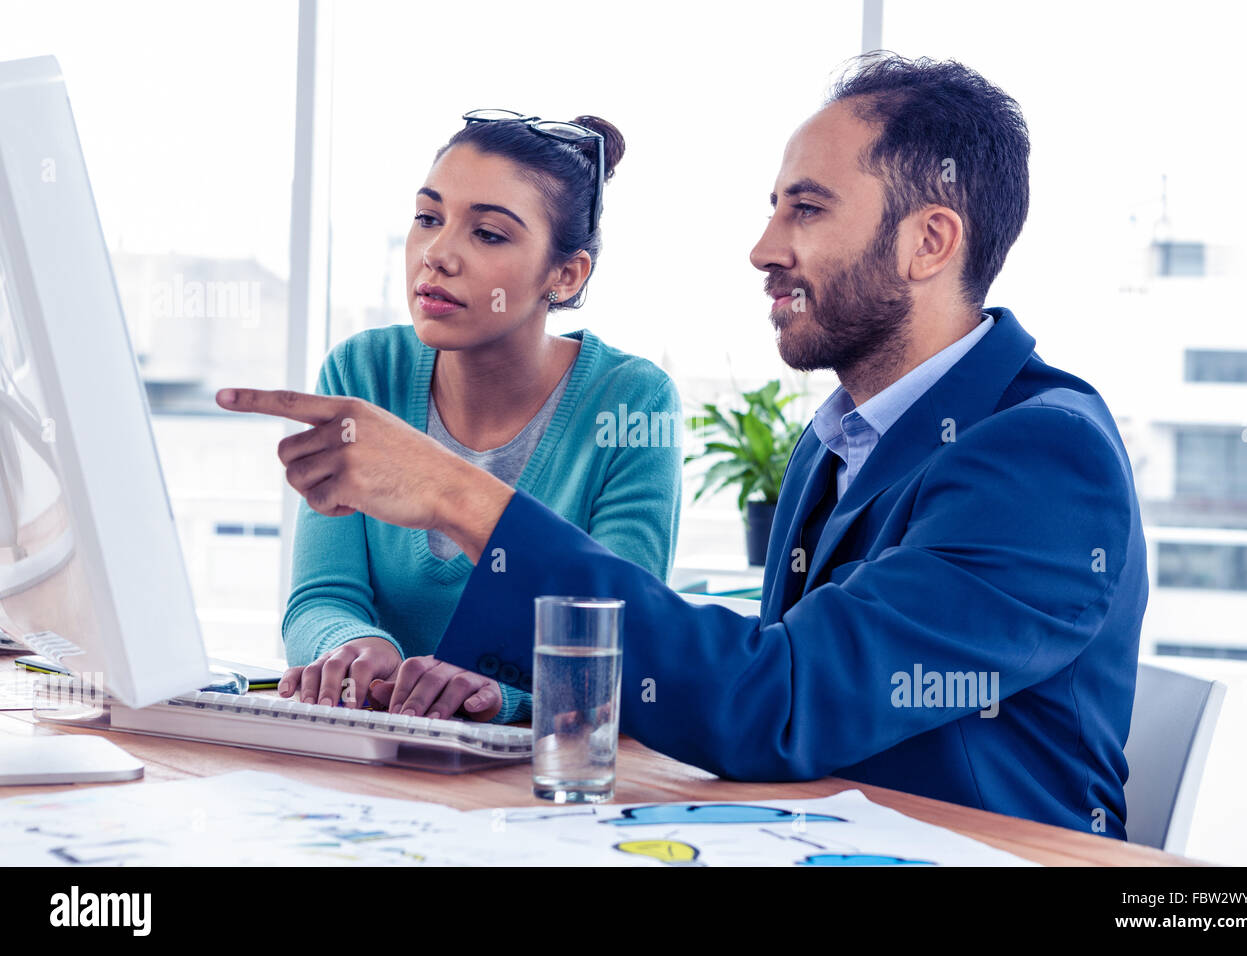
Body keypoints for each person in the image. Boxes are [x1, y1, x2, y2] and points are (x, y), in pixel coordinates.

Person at [219, 53, 1147, 839]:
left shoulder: (1041, 459)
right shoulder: (843, 443)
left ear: (929, 241)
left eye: (808, 211)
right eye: (775, 207)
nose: (763, 247)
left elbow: (774, 704)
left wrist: (458, 497)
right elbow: (777, 681)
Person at [260, 110, 682, 725]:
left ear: (564, 276)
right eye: (428, 218)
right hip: (374, 757)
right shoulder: (362, 373)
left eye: (487, 233)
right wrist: (353, 647)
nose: (436, 254)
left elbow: (619, 640)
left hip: (534, 775)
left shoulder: (632, 401)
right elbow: (323, 596)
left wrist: (493, 693)